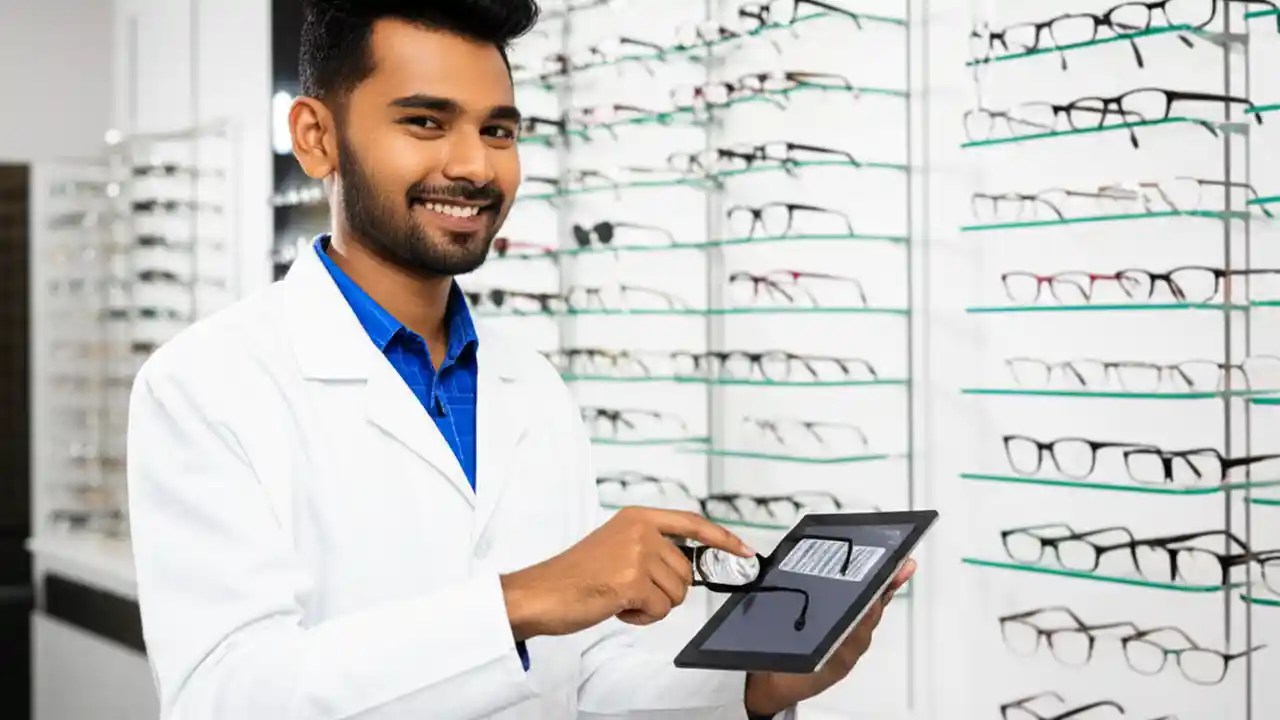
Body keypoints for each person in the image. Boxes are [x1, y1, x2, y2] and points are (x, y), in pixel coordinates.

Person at [126, 1, 916, 718]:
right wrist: (522, 601)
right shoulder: (204, 384)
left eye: (498, 130)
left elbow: (580, 678)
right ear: (317, 137)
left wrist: (754, 687)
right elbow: (224, 696)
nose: (475, 166)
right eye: (426, 123)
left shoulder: (529, 385)